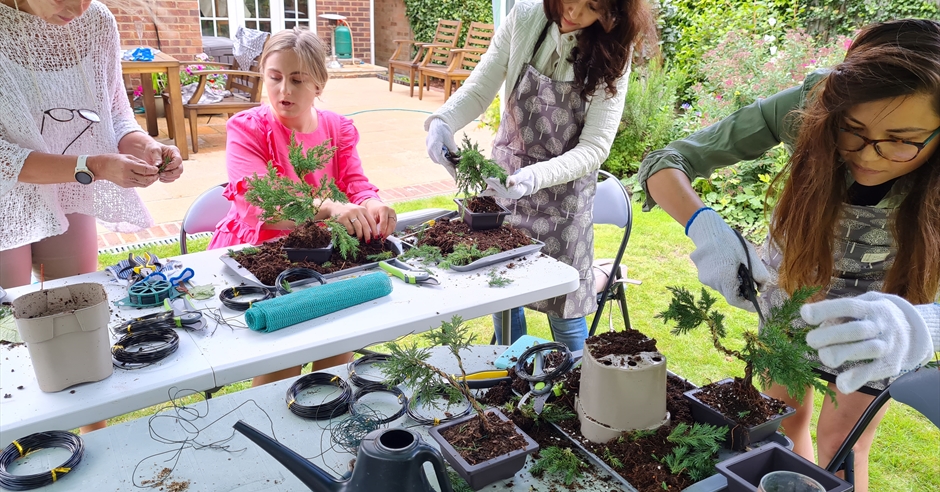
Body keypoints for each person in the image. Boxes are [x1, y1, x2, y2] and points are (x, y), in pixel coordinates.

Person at [639, 19, 939, 492]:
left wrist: (924, 324)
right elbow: (666, 162)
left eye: (901, 140)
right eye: (851, 130)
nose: (870, 156)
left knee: (843, 443)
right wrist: (706, 227)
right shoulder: (813, 102)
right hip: (788, 299)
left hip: (879, 330)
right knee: (779, 423)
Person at [425, 0, 656, 351]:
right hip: (505, 189)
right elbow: (480, 86)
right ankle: (512, 374)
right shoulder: (527, 17)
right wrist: (443, 122)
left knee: (565, 310)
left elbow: (594, 148)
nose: (574, 12)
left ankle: (576, 387)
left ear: (612, 14)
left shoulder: (612, 54)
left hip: (564, 203)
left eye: (592, 7)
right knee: (504, 296)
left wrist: (534, 177)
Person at [0, 0, 184, 433]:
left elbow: (115, 112)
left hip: (70, 195)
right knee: (10, 342)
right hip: (6, 205)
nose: (78, 6)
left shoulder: (96, 22)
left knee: (80, 328)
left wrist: (143, 145)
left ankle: (94, 451)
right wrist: (95, 166)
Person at [209, 27, 396, 386]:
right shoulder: (247, 129)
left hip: (323, 253)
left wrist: (372, 202)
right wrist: (330, 208)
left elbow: (354, 183)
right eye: (275, 77)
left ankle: (323, 417)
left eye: (297, 80)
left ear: (318, 85)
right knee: (282, 353)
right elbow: (261, 203)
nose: (284, 90)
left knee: (335, 341)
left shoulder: (337, 129)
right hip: (262, 249)